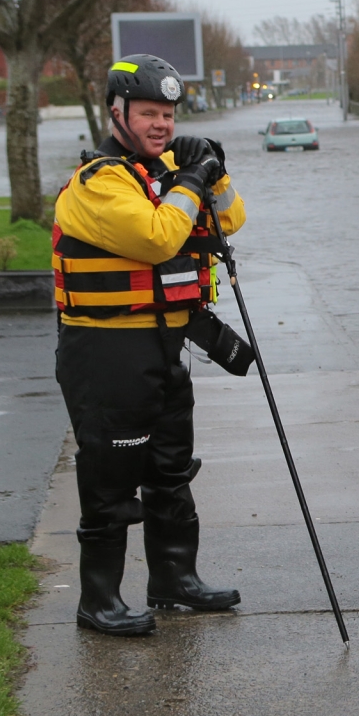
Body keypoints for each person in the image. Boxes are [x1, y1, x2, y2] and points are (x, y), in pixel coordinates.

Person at [52, 54, 251, 637]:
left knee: (170, 469)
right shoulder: (98, 182)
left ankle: (174, 579)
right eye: (148, 114)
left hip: (164, 346)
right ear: (117, 113)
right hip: (106, 352)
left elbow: (230, 219)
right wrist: (188, 180)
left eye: (167, 114)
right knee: (111, 476)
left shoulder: (158, 175)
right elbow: (160, 238)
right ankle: (98, 600)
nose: (161, 125)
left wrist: (212, 171)